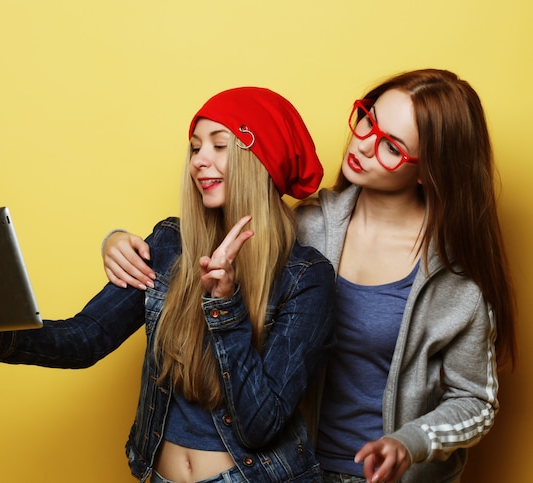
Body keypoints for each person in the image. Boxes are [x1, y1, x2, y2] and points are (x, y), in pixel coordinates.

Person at [100, 69, 518, 483]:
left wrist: (411, 442)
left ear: (431, 170)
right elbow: (203, 253)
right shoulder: (304, 228)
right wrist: (118, 241)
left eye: (391, 146)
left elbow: (475, 402)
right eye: (368, 119)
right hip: (290, 469)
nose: (365, 143)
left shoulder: (454, 280)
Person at [0, 87, 337, 482]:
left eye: (220, 146)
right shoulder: (169, 245)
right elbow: (87, 337)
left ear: (261, 161)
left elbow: (260, 424)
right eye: (194, 148)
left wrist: (225, 307)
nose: (199, 162)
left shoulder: (305, 277)